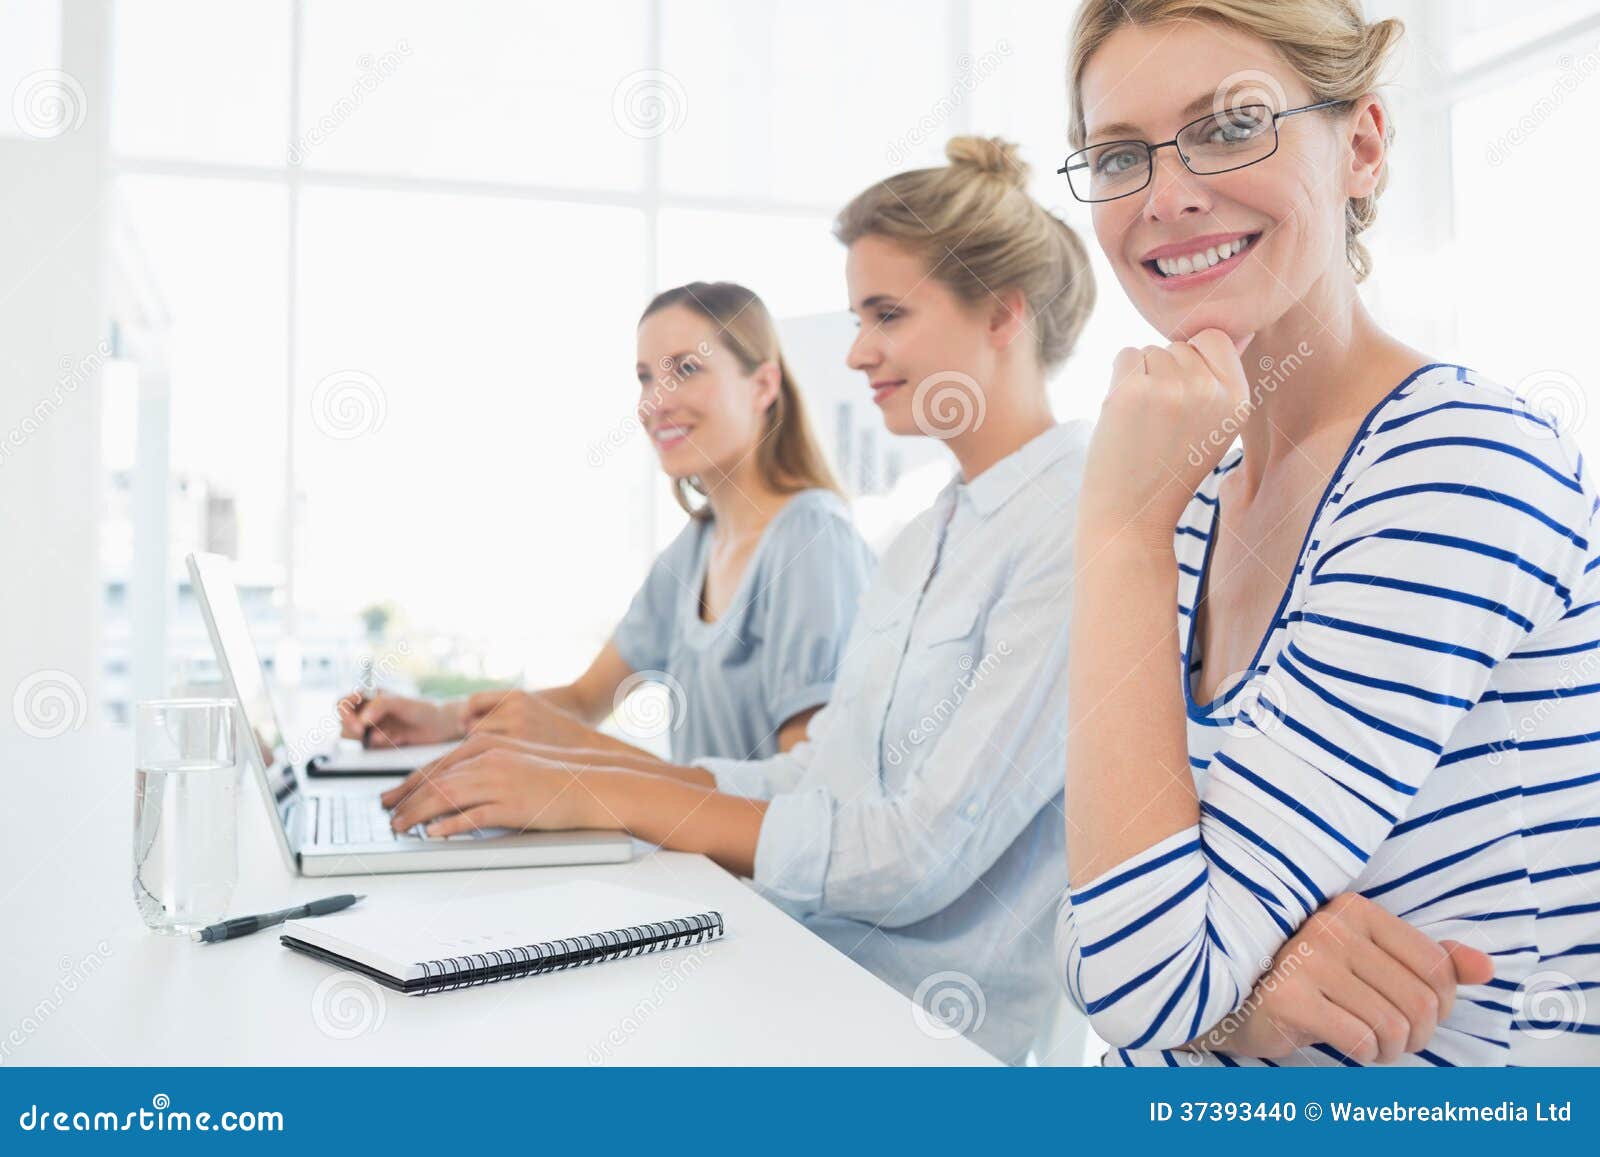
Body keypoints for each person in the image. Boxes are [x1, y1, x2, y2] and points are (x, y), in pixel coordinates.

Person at [381, 137, 1099, 1064]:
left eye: (887, 314)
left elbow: (912, 853)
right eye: (858, 317)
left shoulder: (1074, 527)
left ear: (1002, 312)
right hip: (800, 962)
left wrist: (595, 789)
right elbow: (817, 780)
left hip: (910, 1037)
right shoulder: (925, 537)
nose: (857, 352)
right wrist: (574, 784)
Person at [1054, 0, 1599, 1066]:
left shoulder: (1461, 463)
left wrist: (1117, 535)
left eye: (1229, 125)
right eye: (1118, 155)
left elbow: (1137, 977)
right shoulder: (1194, 495)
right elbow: (1083, 923)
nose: (1166, 195)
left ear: (1361, 146)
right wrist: (1238, 1002)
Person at [339, 282, 873, 765]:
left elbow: (805, 794)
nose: (655, 402)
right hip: (694, 847)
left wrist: (603, 772)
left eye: (686, 369)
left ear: (762, 386)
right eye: (645, 377)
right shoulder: (695, 549)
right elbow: (583, 701)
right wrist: (445, 719)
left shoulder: (812, 541)